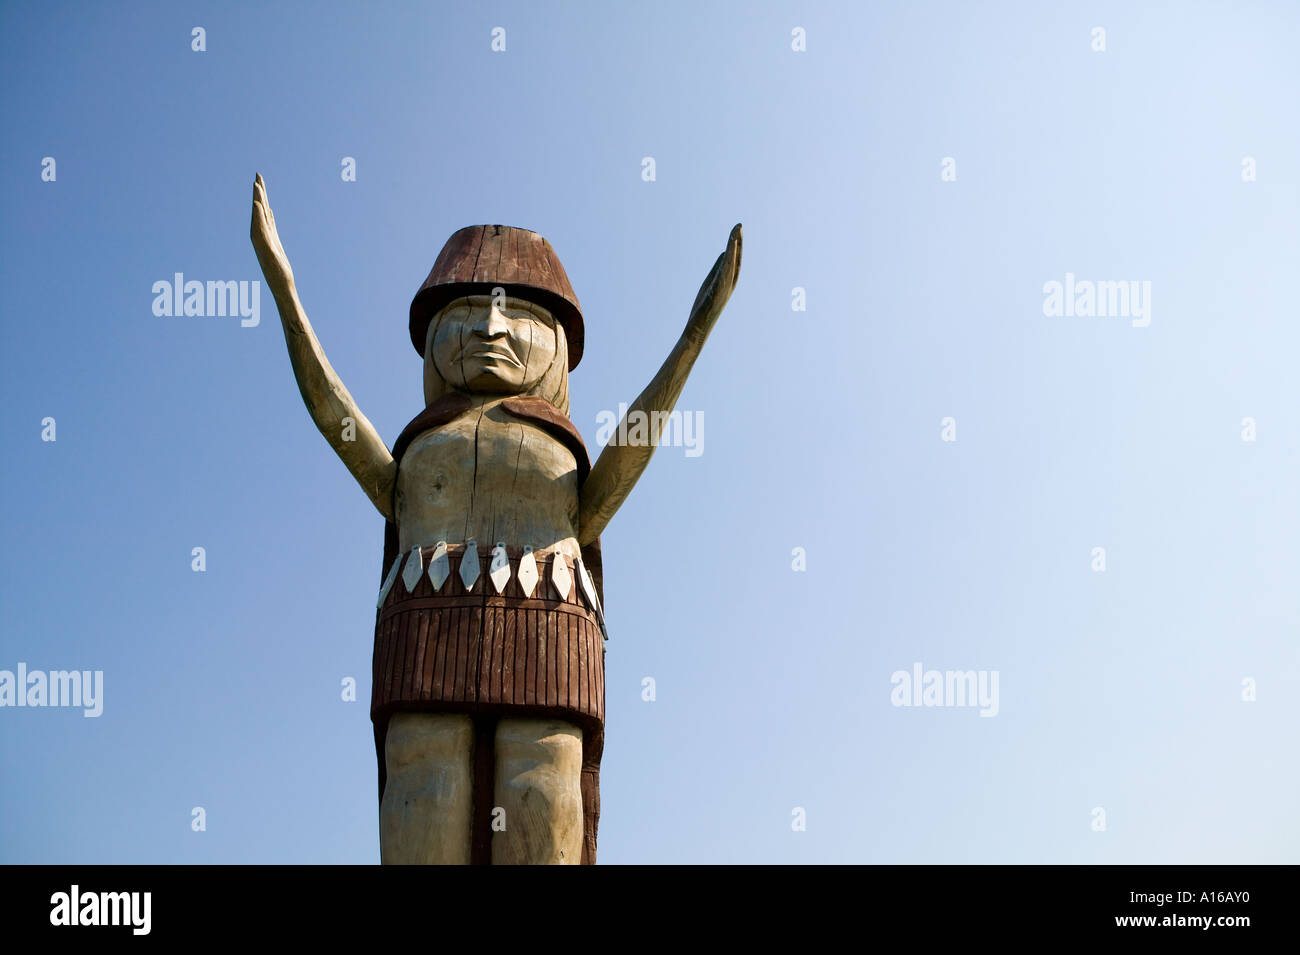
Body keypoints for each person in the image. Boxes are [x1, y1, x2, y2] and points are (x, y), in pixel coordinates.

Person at [250, 174, 740, 863]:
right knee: (423, 784)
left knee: (540, 790)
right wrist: (285, 290)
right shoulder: (419, 445)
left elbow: (630, 453)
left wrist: (694, 334)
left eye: (519, 316)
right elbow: (334, 417)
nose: (490, 328)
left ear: (560, 342)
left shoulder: (564, 448)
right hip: (426, 624)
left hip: (547, 627)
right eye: (468, 312)